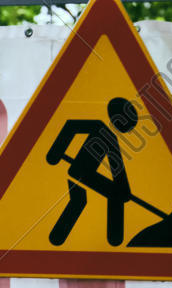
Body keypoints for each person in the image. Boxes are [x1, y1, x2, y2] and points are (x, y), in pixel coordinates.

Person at [44, 96, 139, 246]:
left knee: (81, 200)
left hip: (85, 173)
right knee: (87, 200)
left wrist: (124, 190)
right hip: (81, 171)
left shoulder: (110, 138)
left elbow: (117, 168)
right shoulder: (98, 127)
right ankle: (114, 238)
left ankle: (113, 239)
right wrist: (55, 153)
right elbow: (71, 126)